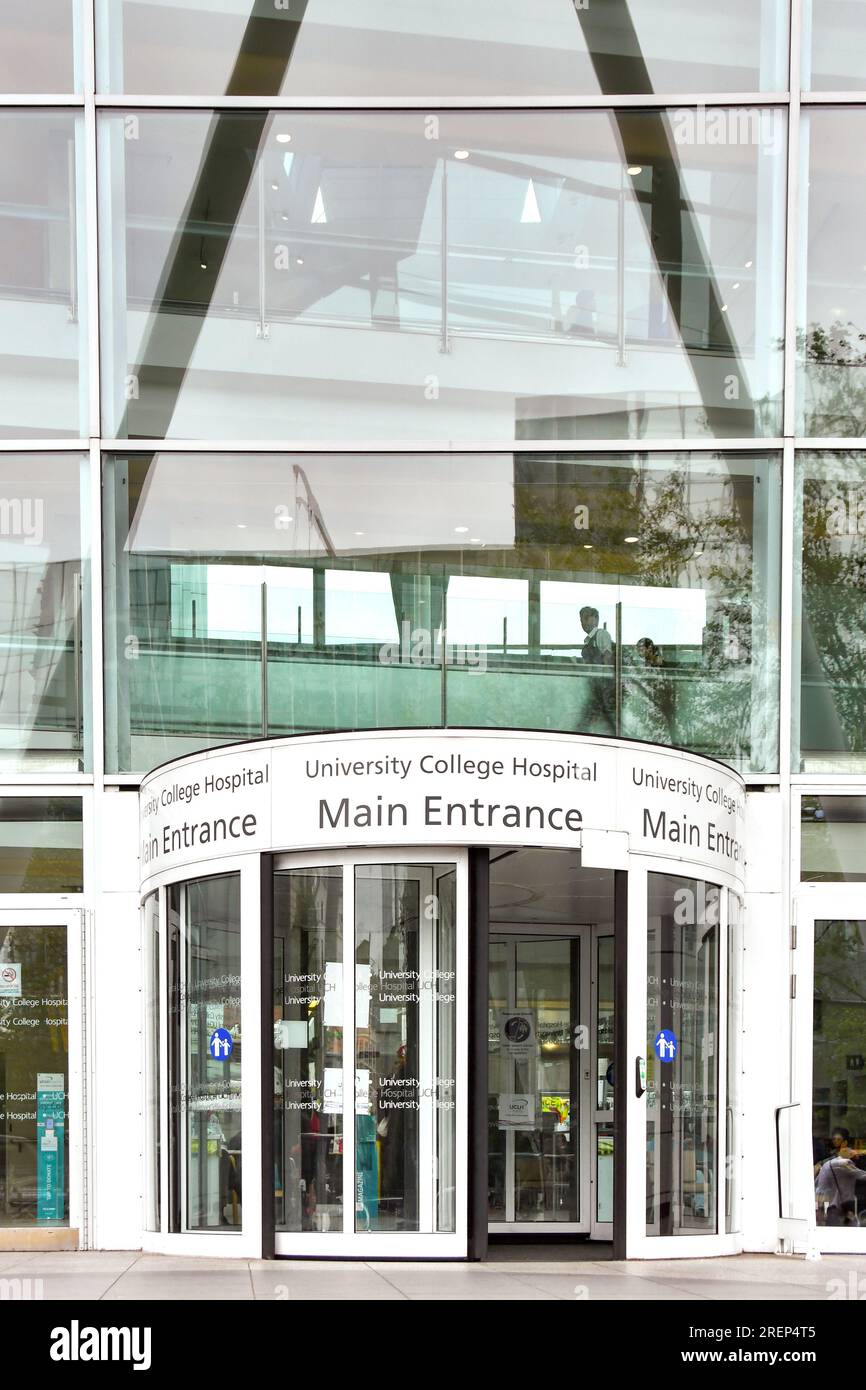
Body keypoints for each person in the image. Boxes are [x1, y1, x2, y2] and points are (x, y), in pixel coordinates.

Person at [579, 606, 615, 734]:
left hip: (602, 688)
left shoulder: (601, 634)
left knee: (585, 723)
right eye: (582, 619)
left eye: (585, 618)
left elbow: (607, 657)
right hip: (596, 688)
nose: (582, 623)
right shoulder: (589, 640)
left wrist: (605, 686)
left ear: (595, 619)